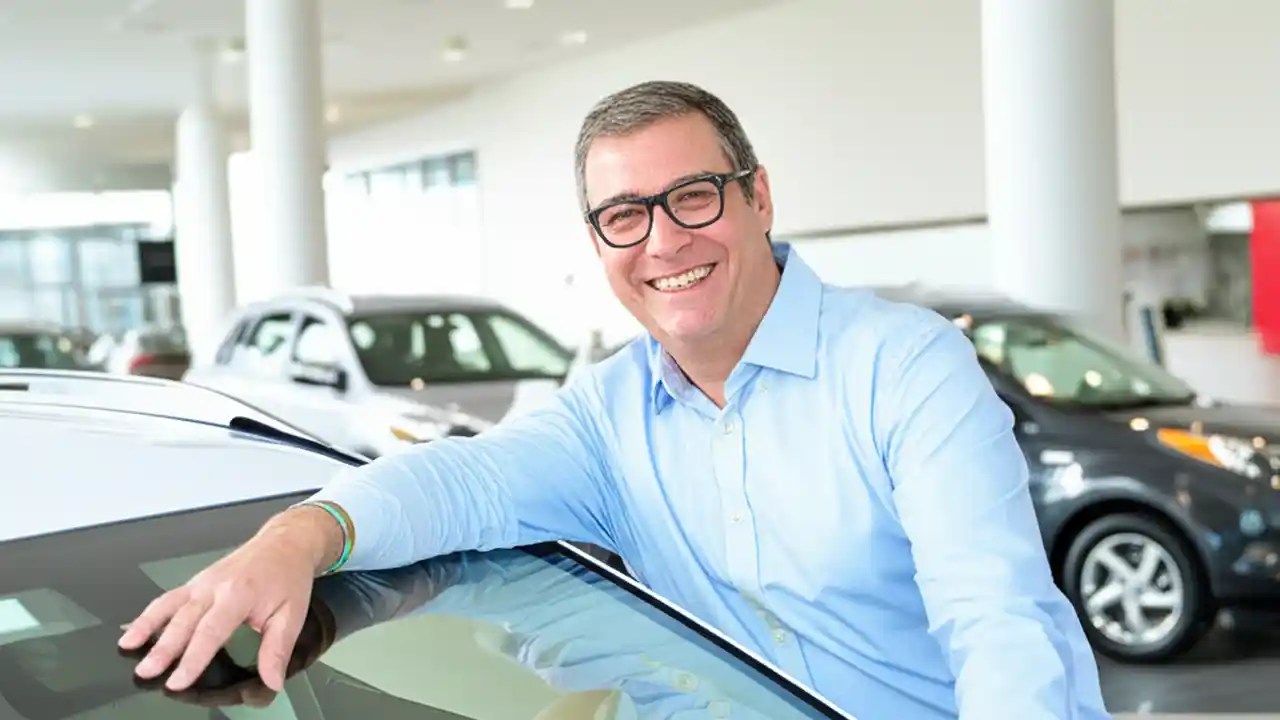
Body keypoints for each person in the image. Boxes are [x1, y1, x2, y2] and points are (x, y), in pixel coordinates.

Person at [119, 80, 1111, 719]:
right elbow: (457, 484)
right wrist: (299, 538)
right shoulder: (606, 417)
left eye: (693, 197)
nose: (664, 242)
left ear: (758, 196)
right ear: (598, 242)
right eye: (624, 215)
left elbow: (998, 624)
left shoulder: (902, 365)